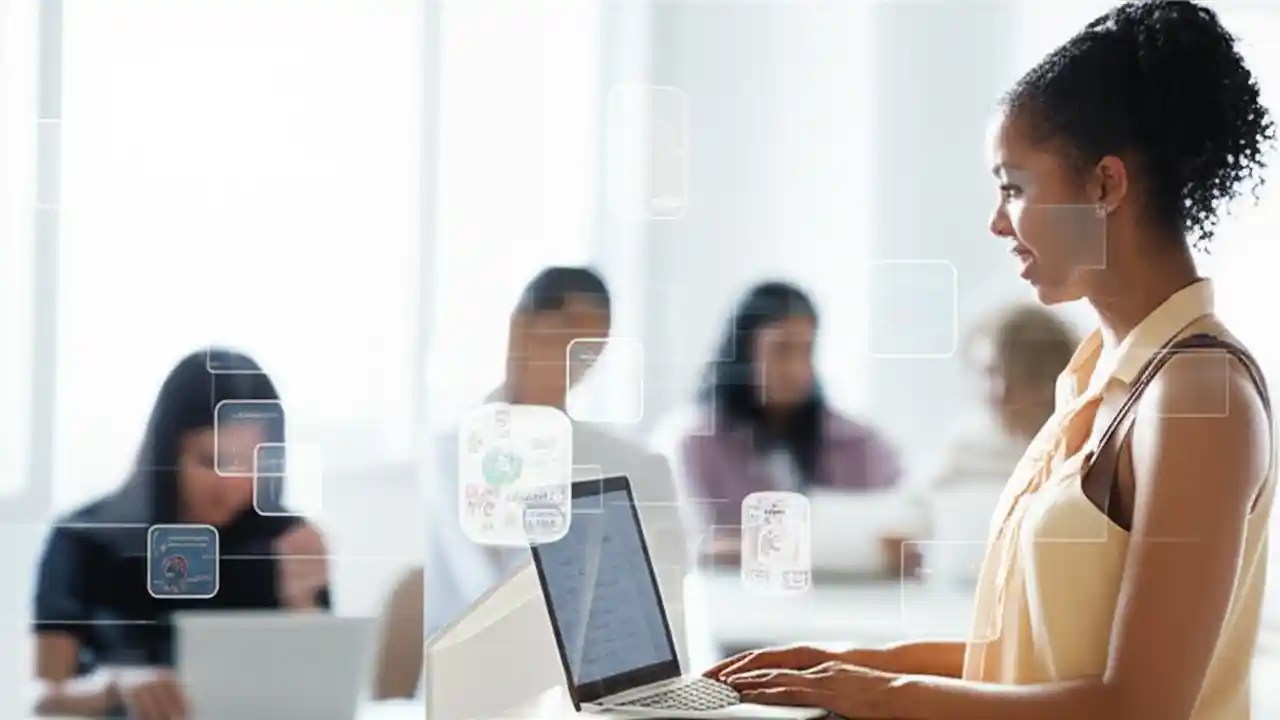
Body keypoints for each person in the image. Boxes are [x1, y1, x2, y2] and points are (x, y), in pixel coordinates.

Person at [708, 2, 1275, 718]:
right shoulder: (1101, 374)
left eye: (1014, 186)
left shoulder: (1197, 394)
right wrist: (842, 662)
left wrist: (885, 693)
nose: (997, 220)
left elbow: (1141, 706)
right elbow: (1026, 658)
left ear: (1105, 185)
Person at [419, 267, 693, 700]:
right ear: (521, 327)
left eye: (590, 348)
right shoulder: (454, 452)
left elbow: (668, 582)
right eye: (565, 333)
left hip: (601, 677)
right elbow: (486, 595)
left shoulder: (629, 463)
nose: (574, 359)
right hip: (482, 682)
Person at [32, 350, 331, 719]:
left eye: (253, 464)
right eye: (210, 461)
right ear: (167, 452)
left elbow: (319, 691)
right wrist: (115, 686)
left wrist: (302, 607)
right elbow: (46, 694)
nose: (230, 484)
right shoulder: (85, 539)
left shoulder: (285, 541)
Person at [668, 281, 901, 551]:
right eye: (781, 350)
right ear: (744, 352)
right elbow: (695, 545)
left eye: (806, 350)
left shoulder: (855, 441)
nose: (795, 369)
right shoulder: (698, 442)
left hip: (844, 590)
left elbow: (900, 521)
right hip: (732, 591)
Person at [929, 304, 1079, 490]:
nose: (1000, 394)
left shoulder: (1083, 459)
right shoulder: (965, 452)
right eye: (991, 374)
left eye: (1018, 377)